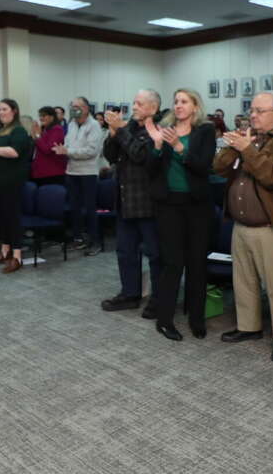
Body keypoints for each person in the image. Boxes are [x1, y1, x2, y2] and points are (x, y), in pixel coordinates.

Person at [214, 92, 273, 361]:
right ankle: (248, 326)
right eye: (251, 110)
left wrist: (246, 149)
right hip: (242, 225)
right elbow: (218, 168)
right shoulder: (248, 138)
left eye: (259, 111)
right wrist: (234, 145)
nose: (252, 115)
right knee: (243, 281)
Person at [147, 88, 217, 341]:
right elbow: (151, 169)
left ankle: (196, 319)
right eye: (175, 101)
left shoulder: (205, 131)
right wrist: (157, 145)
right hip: (168, 205)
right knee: (172, 263)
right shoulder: (163, 130)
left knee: (197, 263)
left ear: (195, 107)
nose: (178, 106)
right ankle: (164, 320)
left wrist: (178, 147)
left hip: (197, 205)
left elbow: (203, 167)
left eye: (184, 102)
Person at [101, 89, 165, 318]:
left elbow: (139, 154)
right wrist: (112, 134)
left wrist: (120, 131)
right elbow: (110, 155)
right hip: (125, 200)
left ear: (153, 108)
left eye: (139, 103)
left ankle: (159, 299)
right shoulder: (128, 128)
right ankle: (130, 294)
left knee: (155, 255)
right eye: (134, 103)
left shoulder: (157, 129)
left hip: (148, 203)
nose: (134, 106)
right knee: (125, 252)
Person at [0, 98, 32, 274]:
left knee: (12, 218)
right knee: (0, 218)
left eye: (5, 109)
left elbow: (14, 152)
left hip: (10, 182)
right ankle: (4, 251)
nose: (1, 112)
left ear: (14, 111)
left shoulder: (19, 131)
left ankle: (17, 256)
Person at [58, 96, 104, 254]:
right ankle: (78, 238)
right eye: (72, 106)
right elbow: (68, 144)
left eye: (77, 106)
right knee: (74, 208)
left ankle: (95, 242)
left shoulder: (94, 125)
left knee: (90, 209)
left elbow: (91, 151)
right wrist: (62, 149)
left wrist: (68, 151)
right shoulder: (71, 124)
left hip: (88, 173)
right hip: (71, 171)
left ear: (86, 108)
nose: (73, 108)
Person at [31, 106, 67, 187]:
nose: (41, 118)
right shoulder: (44, 130)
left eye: (44, 116)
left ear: (52, 117)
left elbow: (47, 149)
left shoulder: (57, 130)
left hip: (52, 173)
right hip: (40, 172)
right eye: (40, 116)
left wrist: (37, 136)